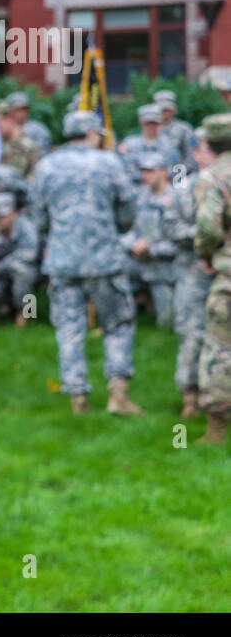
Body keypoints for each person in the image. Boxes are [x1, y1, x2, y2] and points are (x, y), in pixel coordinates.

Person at [29, 110, 142, 416]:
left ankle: (78, 398)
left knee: (68, 328)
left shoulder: (46, 166)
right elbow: (128, 212)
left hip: (63, 261)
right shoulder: (110, 163)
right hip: (104, 260)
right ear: (92, 133)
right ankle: (118, 395)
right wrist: (112, 228)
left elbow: (38, 217)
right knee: (117, 325)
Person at [163, 128, 215, 418]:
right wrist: (205, 234)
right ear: (195, 153)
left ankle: (219, 398)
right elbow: (170, 226)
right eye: (206, 149)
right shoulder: (183, 188)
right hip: (193, 274)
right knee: (192, 335)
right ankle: (190, 396)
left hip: (224, 274)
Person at [195, 113, 231, 445]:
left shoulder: (214, 177)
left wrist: (207, 253)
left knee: (221, 349)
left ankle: (218, 432)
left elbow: (207, 226)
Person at [121, 153, 177, 327]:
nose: (146, 176)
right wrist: (133, 245)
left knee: (166, 323)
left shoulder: (177, 198)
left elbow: (180, 243)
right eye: (144, 171)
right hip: (136, 262)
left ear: (164, 172)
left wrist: (151, 249)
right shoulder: (138, 196)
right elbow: (125, 230)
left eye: (151, 171)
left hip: (163, 267)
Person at [0, 192, 40, 325]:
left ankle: (28, 313)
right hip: (1, 271)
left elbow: (30, 254)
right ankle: (6, 308)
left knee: (24, 275)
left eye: (3, 216)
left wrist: (2, 266)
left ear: (14, 213)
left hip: (28, 268)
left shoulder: (27, 226)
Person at [118, 104, 180, 185]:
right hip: (137, 189)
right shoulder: (130, 144)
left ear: (160, 122)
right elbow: (124, 170)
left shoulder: (169, 145)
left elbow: (178, 169)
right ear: (141, 123)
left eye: (154, 123)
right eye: (147, 123)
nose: (151, 126)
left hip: (165, 190)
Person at [153, 89, 194, 170]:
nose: (163, 112)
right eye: (160, 110)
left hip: (179, 176)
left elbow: (192, 157)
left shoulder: (184, 129)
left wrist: (176, 175)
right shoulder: (150, 129)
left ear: (174, 110)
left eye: (167, 110)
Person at [4, 92, 51, 157]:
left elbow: (43, 154)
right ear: (10, 110)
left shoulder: (38, 130)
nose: (23, 112)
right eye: (18, 109)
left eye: (25, 109)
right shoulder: (3, 129)